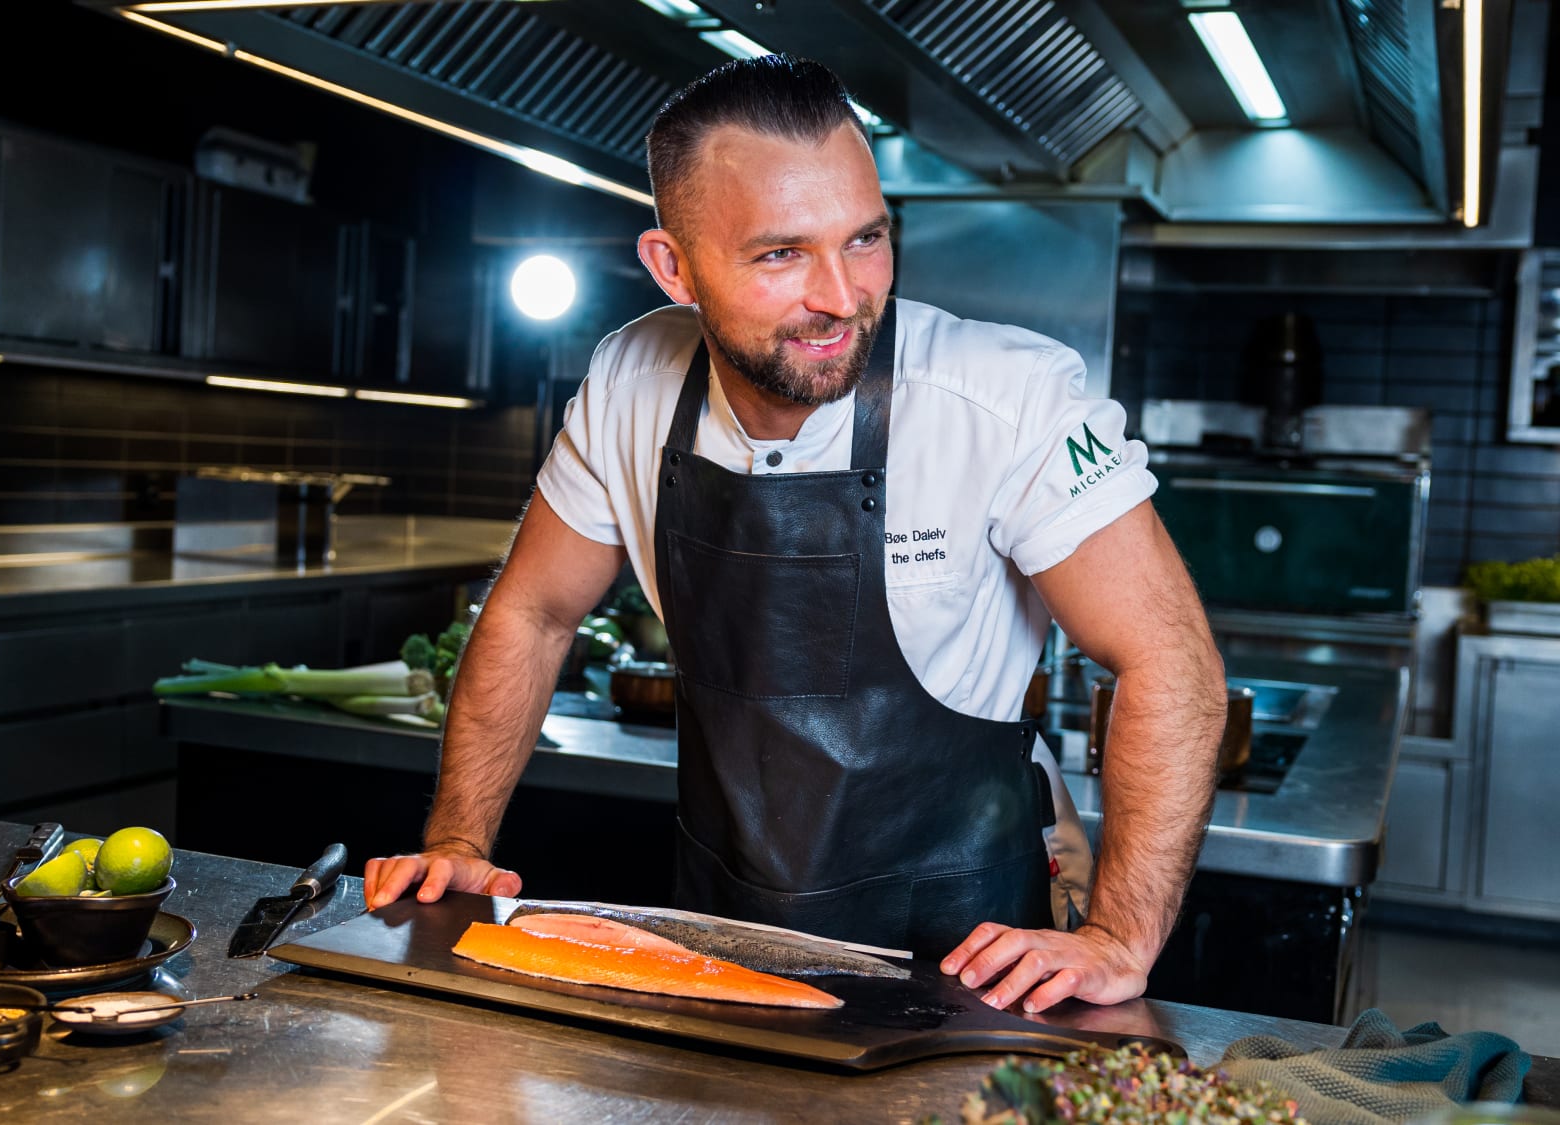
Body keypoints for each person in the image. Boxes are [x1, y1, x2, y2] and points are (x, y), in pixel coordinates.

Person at [364, 54, 1224, 1014]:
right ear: (673, 267)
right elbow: (531, 612)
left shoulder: (1009, 396)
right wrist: (458, 844)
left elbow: (1168, 659)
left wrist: (1119, 934)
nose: (842, 295)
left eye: (865, 239)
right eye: (781, 254)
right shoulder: (629, 381)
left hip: (972, 961)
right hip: (724, 940)